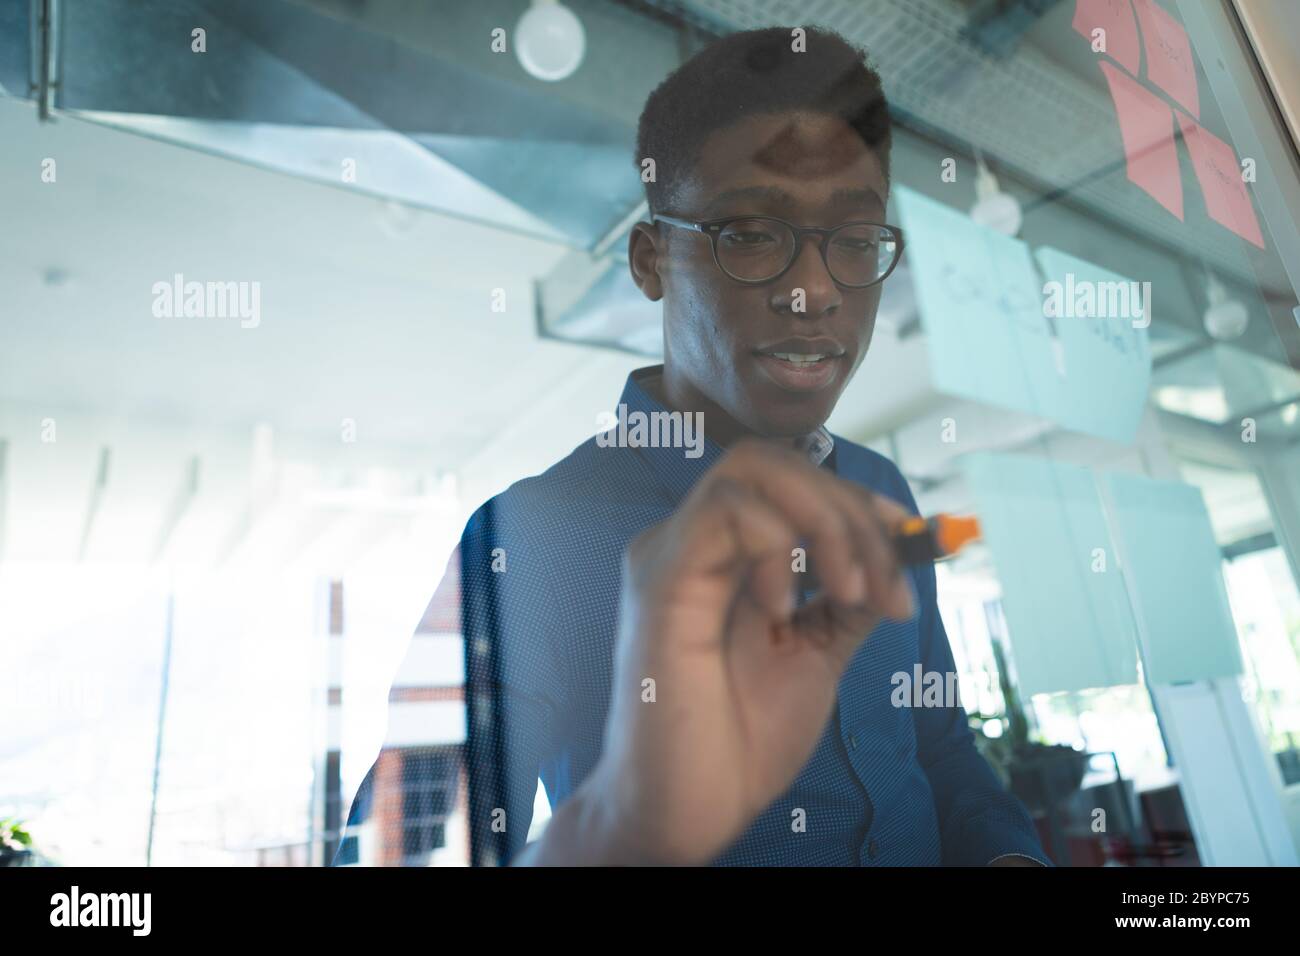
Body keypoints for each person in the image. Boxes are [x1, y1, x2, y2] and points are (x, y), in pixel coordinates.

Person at [340, 25, 1049, 867]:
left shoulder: (884, 490)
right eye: (751, 232)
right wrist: (617, 830)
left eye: (855, 240)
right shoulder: (529, 538)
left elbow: (938, 746)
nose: (815, 291)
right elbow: (397, 852)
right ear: (652, 260)